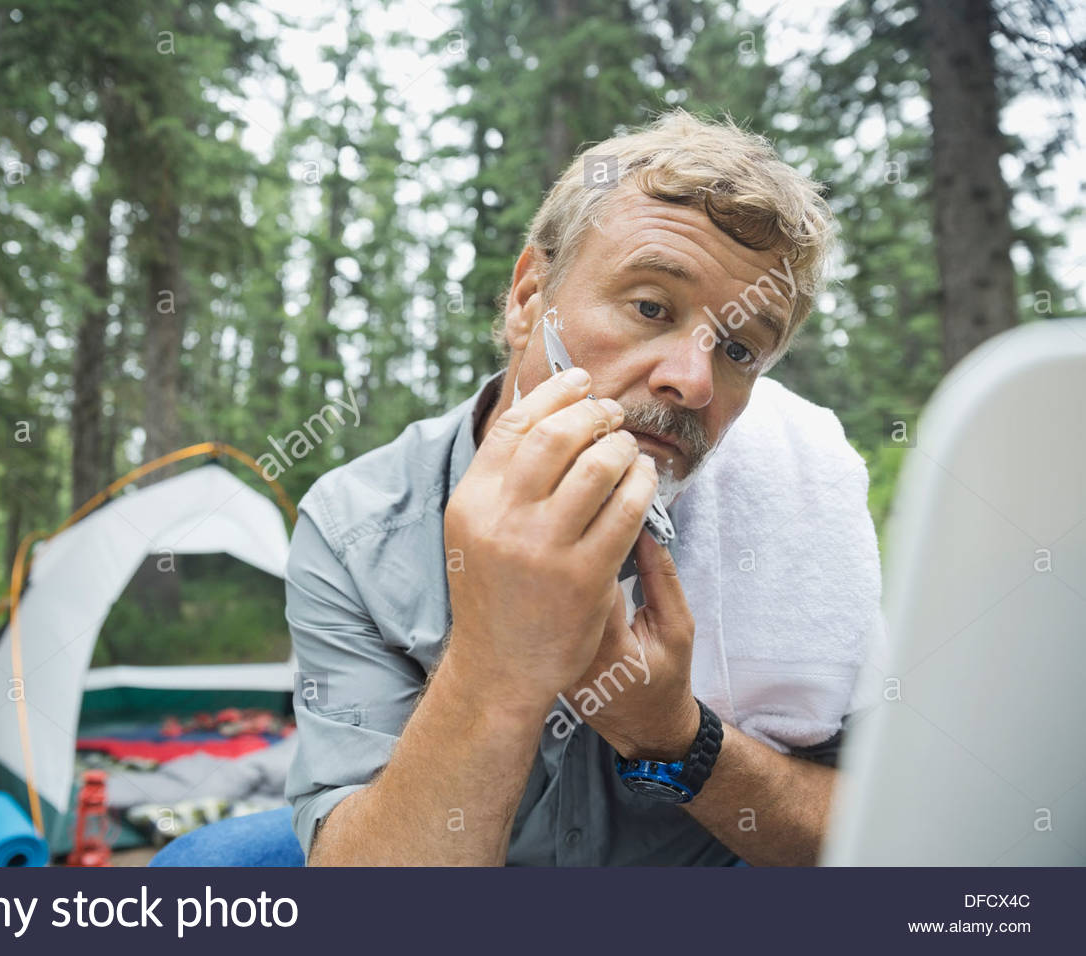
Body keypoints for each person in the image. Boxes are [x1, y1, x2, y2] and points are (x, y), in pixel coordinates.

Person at [152, 109, 882, 868]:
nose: (693, 381)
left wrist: (673, 735)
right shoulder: (358, 527)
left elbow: (886, 839)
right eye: (651, 307)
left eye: (738, 348)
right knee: (199, 868)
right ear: (530, 297)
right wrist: (496, 664)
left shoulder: (800, 510)